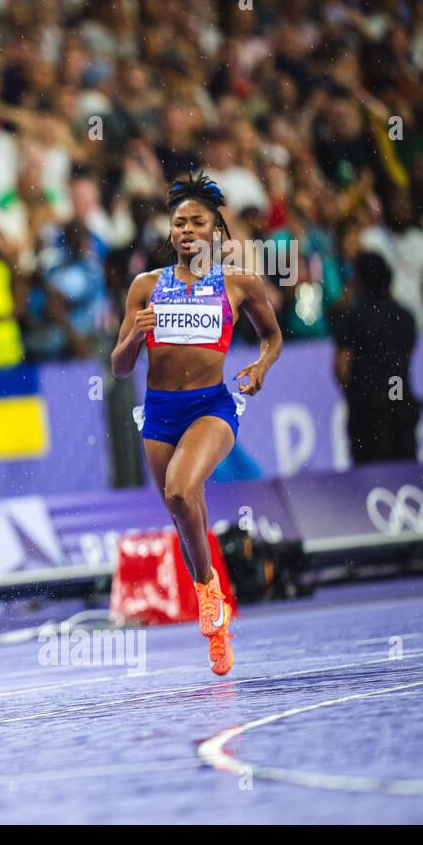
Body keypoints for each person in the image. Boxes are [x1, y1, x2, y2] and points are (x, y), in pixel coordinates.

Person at [110, 175, 282, 676]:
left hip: (212, 406)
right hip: (160, 412)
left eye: (197, 222)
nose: (186, 229)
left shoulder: (240, 283)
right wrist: (133, 340)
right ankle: (214, 603)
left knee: (183, 491)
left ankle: (206, 597)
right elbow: (119, 368)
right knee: (186, 517)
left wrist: (260, 368)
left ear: (216, 233)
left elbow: (271, 338)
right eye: (179, 222)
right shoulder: (146, 286)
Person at [336, 252, 420, 463]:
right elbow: (406, 359)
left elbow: (341, 366)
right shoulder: (405, 316)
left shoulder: (352, 317)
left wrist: (356, 394)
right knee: (405, 473)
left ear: (360, 280)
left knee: (370, 480)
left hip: (367, 411)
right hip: (401, 401)